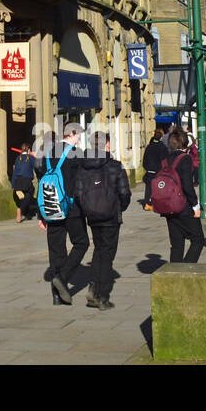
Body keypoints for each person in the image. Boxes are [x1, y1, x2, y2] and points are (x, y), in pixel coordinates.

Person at [74, 130, 130, 310]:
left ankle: (93, 285)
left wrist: (89, 209)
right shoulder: (115, 165)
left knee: (99, 250)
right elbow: (124, 193)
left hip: (93, 216)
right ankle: (102, 295)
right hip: (111, 216)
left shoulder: (83, 166)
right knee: (107, 255)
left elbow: (78, 193)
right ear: (106, 145)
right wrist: (119, 207)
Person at [37, 125, 87, 304]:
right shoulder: (77, 154)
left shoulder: (48, 153)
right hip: (72, 208)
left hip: (51, 206)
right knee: (81, 243)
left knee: (56, 250)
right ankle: (63, 278)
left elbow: (43, 181)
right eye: (78, 135)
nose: (79, 139)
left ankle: (56, 296)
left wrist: (41, 214)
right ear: (71, 134)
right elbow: (82, 182)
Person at [156, 126, 206, 263]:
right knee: (198, 240)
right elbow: (187, 186)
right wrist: (195, 206)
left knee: (177, 244)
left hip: (168, 206)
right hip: (183, 207)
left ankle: (174, 274)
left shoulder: (165, 160)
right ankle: (186, 271)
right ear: (185, 144)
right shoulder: (185, 159)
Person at [141, 127, 168, 210]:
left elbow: (144, 159)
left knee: (149, 187)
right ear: (161, 138)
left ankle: (147, 203)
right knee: (160, 187)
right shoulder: (162, 147)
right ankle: (158, 203)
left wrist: (147, 167)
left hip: (149, 170)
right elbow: (165, 159)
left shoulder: (149, 146)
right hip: (158, 170)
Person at [10, 141, 37, 223]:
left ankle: (20, 209)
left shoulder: (18, 158)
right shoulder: (31, 158)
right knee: (29, 194)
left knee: (20, 197)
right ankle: (22, 210)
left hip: (18, 181)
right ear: (29, 150)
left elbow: (15, 172)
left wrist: (13, 184)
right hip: (27, 181)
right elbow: (37, 166)